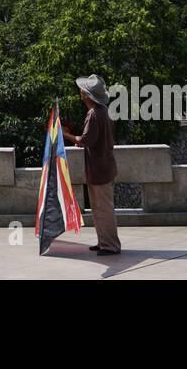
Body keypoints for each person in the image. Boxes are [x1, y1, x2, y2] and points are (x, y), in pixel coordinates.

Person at [63, 74, 120, 256]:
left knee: (103, 209)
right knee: (99, 208)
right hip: (103, 166)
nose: (80, 92)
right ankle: (104, 242)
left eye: (83, 90)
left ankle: (110, 245)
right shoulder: (103, 111)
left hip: (100, 168)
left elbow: (86, 141)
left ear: (87, 95)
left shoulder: (94, 114)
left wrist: (66, 135)